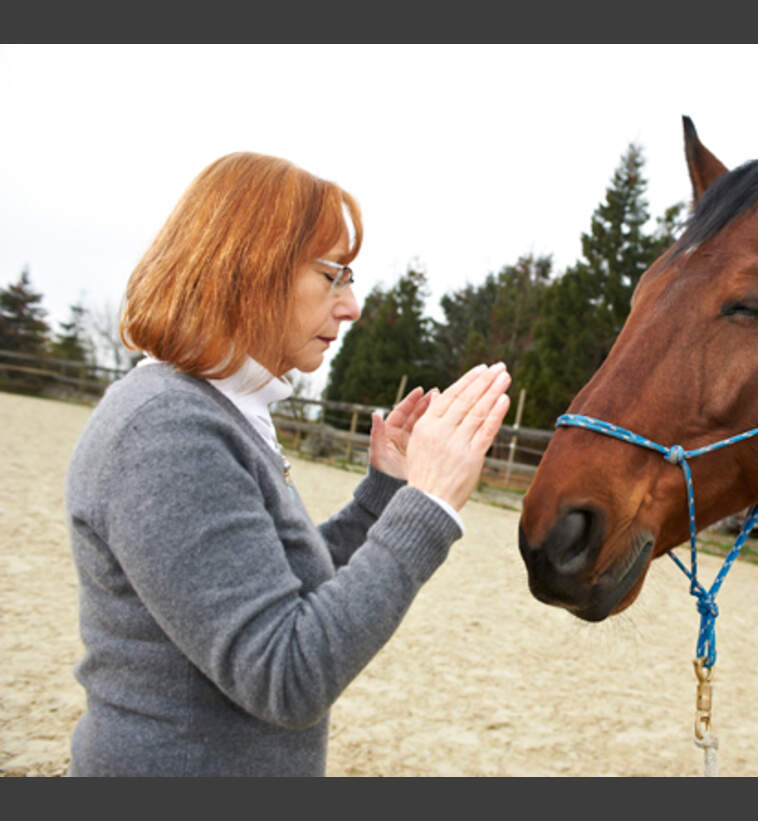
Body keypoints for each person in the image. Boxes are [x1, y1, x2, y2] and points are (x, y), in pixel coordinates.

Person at [64, 152, 511, 776]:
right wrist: (427, 506)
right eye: (333, 276)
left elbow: (274, 588)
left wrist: (384, 496)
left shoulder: (211, 410)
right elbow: (286, 676)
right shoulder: (165, 429)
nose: (352, 305)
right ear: (253, 268)